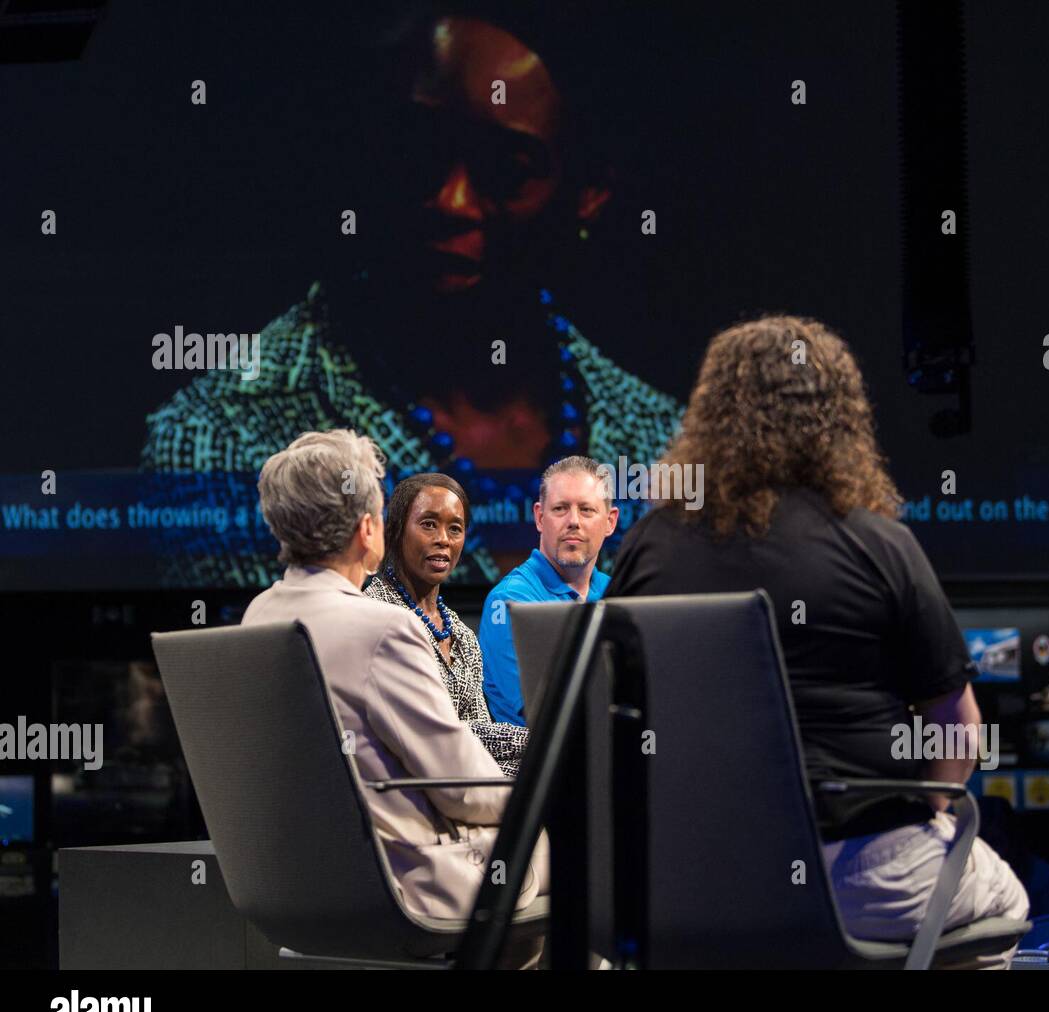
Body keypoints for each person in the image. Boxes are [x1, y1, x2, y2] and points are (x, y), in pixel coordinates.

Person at [140, 9, 681, 588]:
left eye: (506, 168)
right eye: (418, 148)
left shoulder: (662, 442)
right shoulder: (222, 440)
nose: (451, 202)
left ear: (589, 191)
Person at [605, 316, 1028, 967]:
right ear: (839, 417)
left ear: (709, 412)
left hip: (694, 878)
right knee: (1007, 902)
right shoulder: (880, 542)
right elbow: (957, 725)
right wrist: (933, 809)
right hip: (862, 873)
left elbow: (607, 711)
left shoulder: (648, 545)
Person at [240, 429, 547, 964]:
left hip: (297, 884)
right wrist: (548, 784)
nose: (443, 539)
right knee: (584, 839)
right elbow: (461, 790)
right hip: (405, 883)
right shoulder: (384, 626)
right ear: (369, 530)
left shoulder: (257, 616)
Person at [364, 472, 530, 775]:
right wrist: (541, 742)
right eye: (429, 524)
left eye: (455, 528)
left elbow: (478, 730)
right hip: (406, 781)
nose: (443, 539)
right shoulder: (376, 614)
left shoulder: (463, 636)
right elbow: (431, 734)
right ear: (397, 529)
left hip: (463, 774)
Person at [479, 455, 619, 727]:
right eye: (560, 509)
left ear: (610, 522)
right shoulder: (509, 601)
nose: (573, 521)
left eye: (587, 510)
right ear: (540, 517)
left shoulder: (616, 592)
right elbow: (545, 711)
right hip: (532, 763)